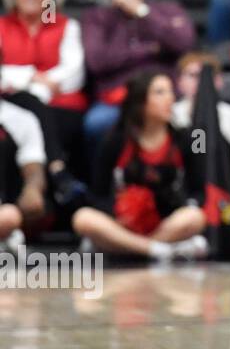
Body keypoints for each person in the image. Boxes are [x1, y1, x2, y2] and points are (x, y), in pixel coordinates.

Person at [71, 72, 209, 261]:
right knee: (83, 217)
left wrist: (180, 206)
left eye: (170, 92)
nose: (170, 98)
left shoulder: (191, 137)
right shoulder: (114, 139)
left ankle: (126, 247)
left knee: (195, 217)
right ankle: (159, 250)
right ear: (140, 100)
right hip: (123, 223)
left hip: (165, 222)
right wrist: (118, 214)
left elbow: (199, 192)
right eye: (160, 92)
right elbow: (98, 194)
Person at [0, 0, 89, 213]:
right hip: (13, 101)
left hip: (60, 103)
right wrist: (30, 76)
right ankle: (58, 173)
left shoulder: (63, 26)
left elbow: (73, 73)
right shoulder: (3, 26)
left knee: (42, 114)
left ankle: (49, 204)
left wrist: (33, 86)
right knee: (27, 113)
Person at [82, 0, 196, 147]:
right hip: (115, 101)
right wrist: (150, 50)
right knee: (96, 124)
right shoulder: (97, 18)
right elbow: (97, 62)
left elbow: (183, 43)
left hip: (168, 98)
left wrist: (141, 11)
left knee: (195, 128)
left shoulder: (169, 10)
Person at [171, 52, 230, 225]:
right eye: (193, 76)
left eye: (206, 76)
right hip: (181, 197)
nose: (200, 82)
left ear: (219, 81)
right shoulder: (169, 117)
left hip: (224, 192)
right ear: (180, 82)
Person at [0, 98, 48, 249]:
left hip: (5, 208)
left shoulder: (20, 118)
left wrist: (33, 189)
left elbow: (34, 167)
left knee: (9, 216)